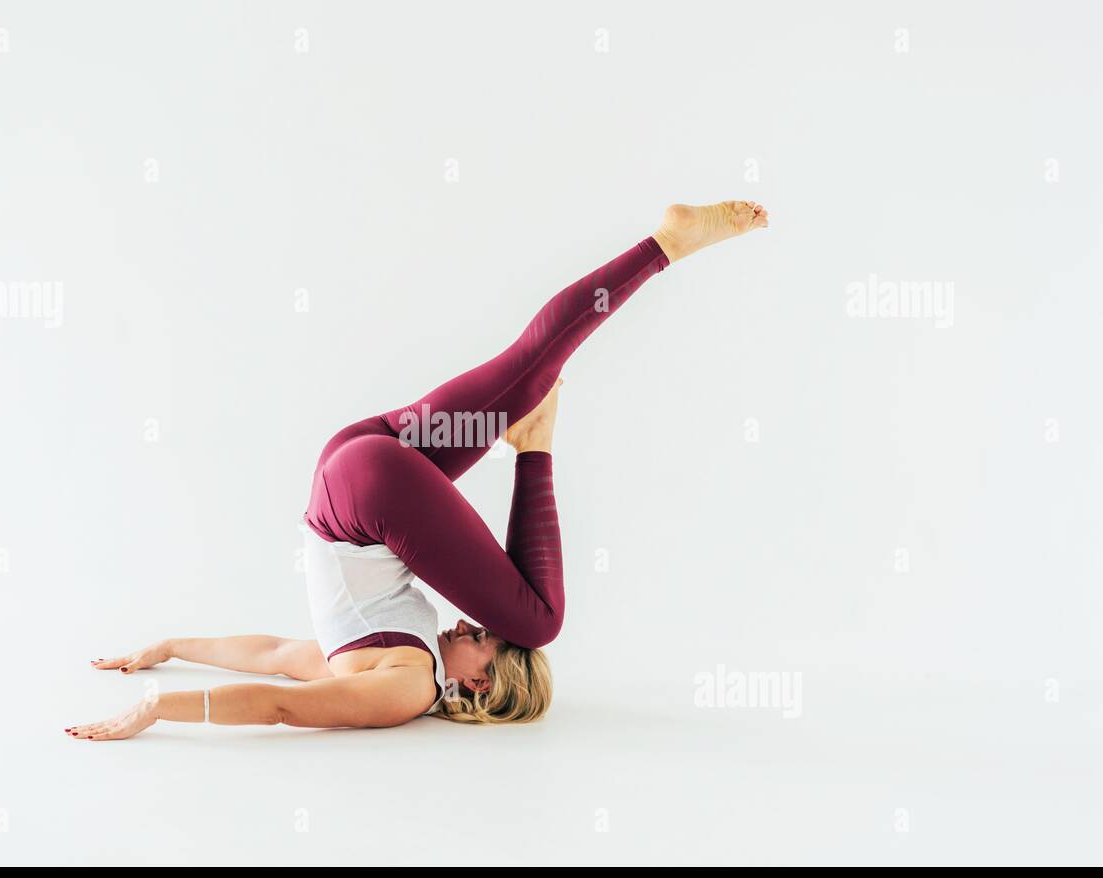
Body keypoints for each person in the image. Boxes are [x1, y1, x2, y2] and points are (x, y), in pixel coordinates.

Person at [64, 201, 769, 740]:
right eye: (485, 629)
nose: (470, 626)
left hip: (366, 488)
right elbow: (277, 653)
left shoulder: (407, 687)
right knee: (523, 369)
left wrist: (160, 707)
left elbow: (282, 696)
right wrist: (170, 646)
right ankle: (664, 244)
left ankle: (535, 444)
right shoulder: (395, 661)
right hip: (354, 470)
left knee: (544, 620)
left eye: (483, 642)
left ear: (482, 688)